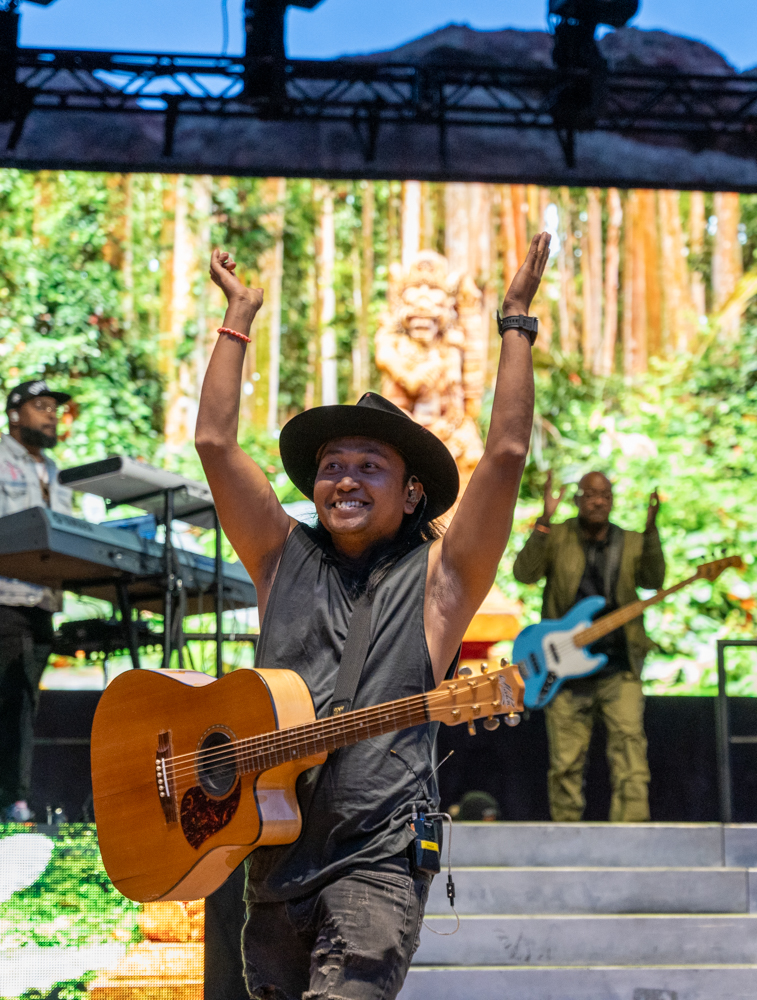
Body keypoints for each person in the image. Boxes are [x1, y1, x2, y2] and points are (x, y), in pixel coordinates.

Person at [193, 234, 550, 1000]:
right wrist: (238, 318)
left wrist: (515, 325)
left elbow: (508, 453)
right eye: (331, 467)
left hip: (376, 864)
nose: (343, 479)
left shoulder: (442, 580)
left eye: (368, 467)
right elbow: (215, 442)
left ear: (413, 491)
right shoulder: (278, 555)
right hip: (273, 865)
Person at [513, 470, 664, 823]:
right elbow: (525, 573)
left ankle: (632, 837)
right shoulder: (559, 535)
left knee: (630, 752)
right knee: (565, 763)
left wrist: (652, 530)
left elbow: (654, 580)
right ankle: (568, 839)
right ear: (578, 498)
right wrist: (545, 520)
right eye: (591, 494)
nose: (598, 501)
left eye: (606, 495)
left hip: (619, 666)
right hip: (562, 670)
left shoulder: (629, 541)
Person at [0, 379, 74, 824]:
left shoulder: (57, 471)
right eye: (40, 406)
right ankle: (12, 802)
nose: (50, 414)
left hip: (42, 602)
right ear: (14, 414)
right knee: (16, 694)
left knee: (17, 700)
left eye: (53, 408)